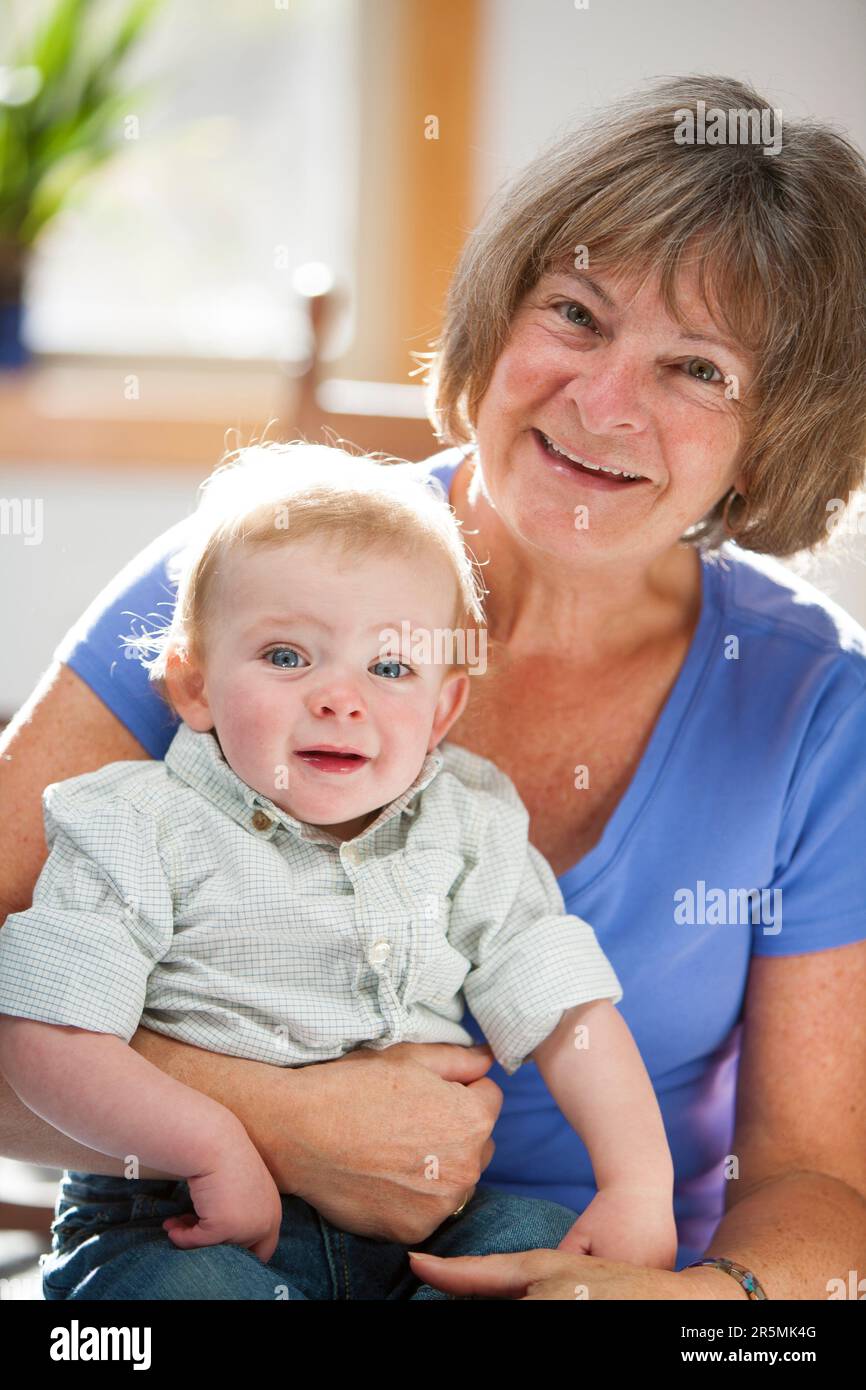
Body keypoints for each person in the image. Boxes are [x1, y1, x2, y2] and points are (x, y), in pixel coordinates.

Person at [1, 72, 865, 1301]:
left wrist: (688, 1306)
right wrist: (267, 1121)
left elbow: (821, 1185)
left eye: (697, 371)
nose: (603, 402)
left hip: (567, 1268)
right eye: (573, 313)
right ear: (496, 315)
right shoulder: (251, 576)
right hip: (196, 1229)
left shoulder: (815, 714)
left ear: (775, 431)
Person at [0, 442, 679, 1300]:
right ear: (194, 683)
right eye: (288, 656)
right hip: (174, 1216)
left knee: (534, 1253)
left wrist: (636, 1187)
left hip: (418, 1230)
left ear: (443, 708)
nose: (339, 697)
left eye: (390, 668)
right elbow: (46, 1035)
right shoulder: (135, 823)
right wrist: (212, 1144)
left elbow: (567, 1008)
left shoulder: (467, 827)